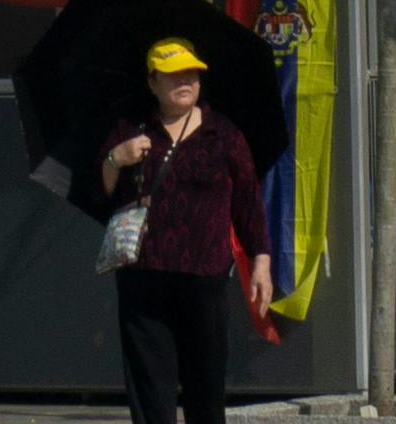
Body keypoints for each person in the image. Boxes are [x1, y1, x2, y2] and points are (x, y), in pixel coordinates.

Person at [98, 34, 271, 424]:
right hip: (144, 276)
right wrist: (116, 158)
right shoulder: (130, 128)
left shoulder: (223, 134)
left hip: (204, 278)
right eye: (174, 75)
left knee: (205, 386)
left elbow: (248, 202)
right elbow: (102, 192)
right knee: (150, 390)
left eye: (191, 74)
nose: (185, 82)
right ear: (152, 82)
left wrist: (261, 260)